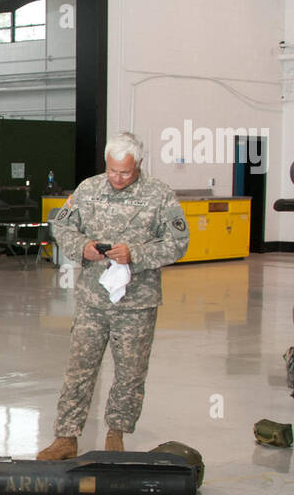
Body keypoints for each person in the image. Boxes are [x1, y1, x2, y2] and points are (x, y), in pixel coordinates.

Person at [40, 131, 189, 459]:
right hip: (93, 299)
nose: (117, 178)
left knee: (130, 373)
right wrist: (84, 248)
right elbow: (62, 227)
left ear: (138, 164)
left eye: (125, 172)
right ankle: (66, 437)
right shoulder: (88, 189)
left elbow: (178, 243)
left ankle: (116, 435)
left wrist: (135, 253)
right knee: (79, 369)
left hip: (137, 302)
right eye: (112, 170)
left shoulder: (159, 195)